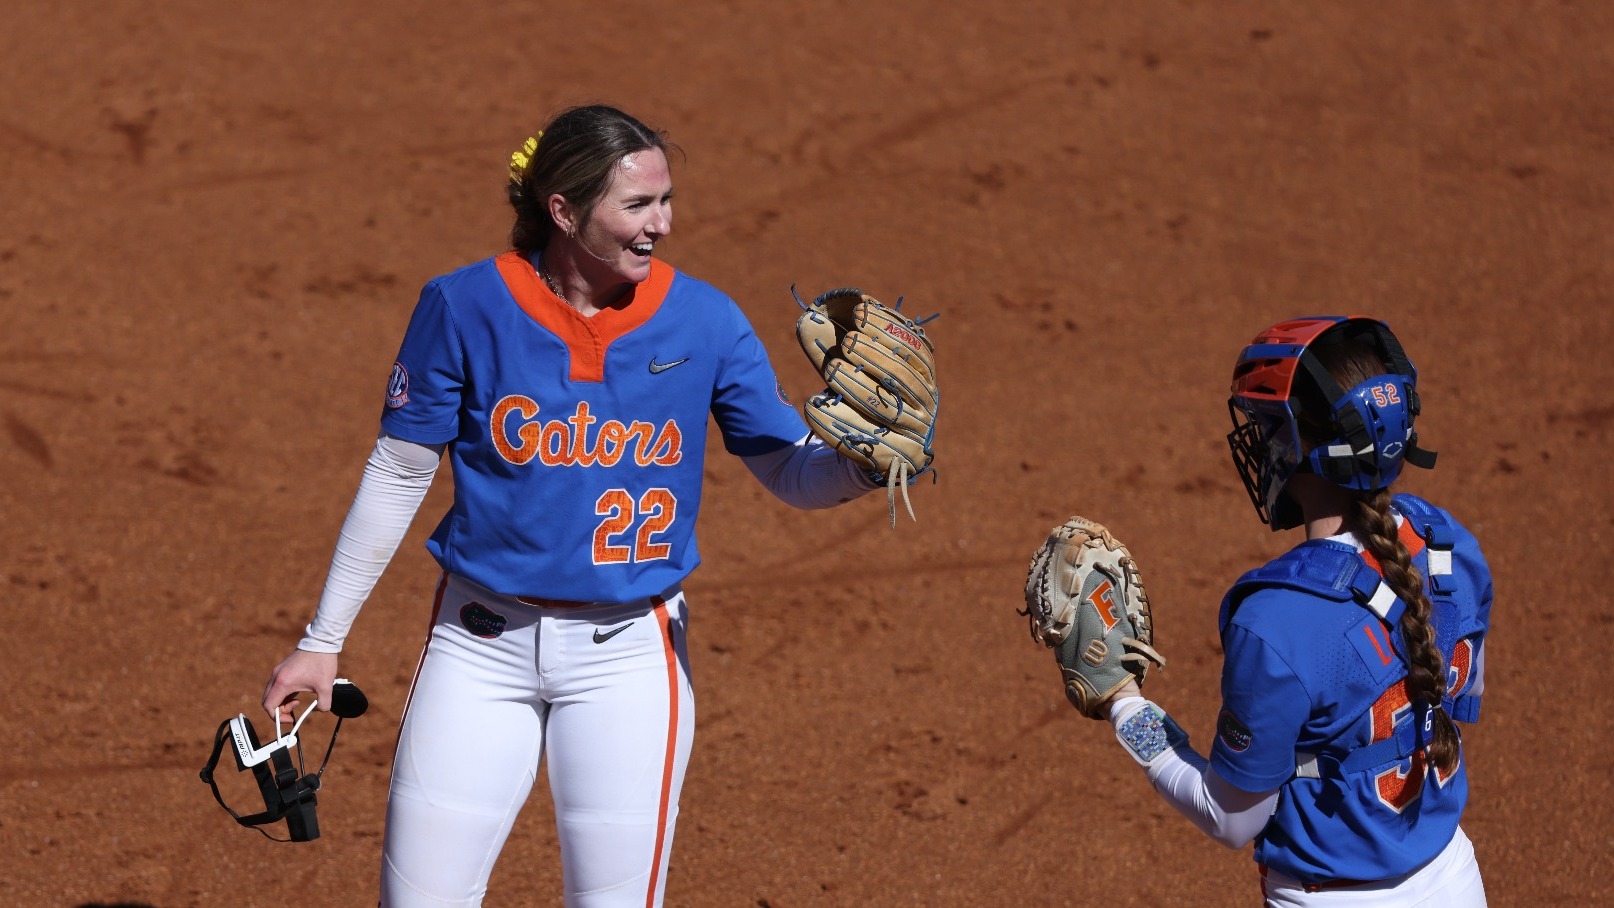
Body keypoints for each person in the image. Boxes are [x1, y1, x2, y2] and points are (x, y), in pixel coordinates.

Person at [259, 104, 891, 907]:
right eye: (637, 205)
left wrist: (862, 467)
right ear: (563, 210)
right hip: (476, 647)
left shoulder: (706, 321)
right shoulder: (464, 308)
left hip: (628, 660)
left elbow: (791, 472)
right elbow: (399, 472)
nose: (660, 223)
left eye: (665, 201)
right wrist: (323, 639)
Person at [1101, 316, 1492, 906]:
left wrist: (1124, 706)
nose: (1258, 442)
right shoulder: (1448, 545)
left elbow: (1232, 818)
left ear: (1300, 445)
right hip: (1455, 880)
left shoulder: (1278, 621)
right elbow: (1454, 698)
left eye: (1265, 426)